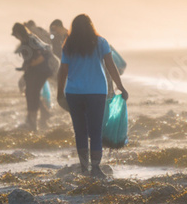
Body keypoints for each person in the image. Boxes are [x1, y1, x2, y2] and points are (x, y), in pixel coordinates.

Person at [57, 14, 129, 177]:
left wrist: (59, 94)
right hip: (97, 92)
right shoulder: (101, 42)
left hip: (74, 93)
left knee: (80, 131)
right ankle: (96, 168)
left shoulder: (68, 44)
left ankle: (84, 168)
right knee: (96, 131)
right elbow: (111, 66)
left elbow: (63, 71)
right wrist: (120, 87)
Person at [12, 22, 56, 130]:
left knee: (32, 94)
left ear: (18, 33)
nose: (16, 37)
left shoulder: (29, 41)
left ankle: (33, 122)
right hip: (37, 71)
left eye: (15, 35)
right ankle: (39, 116)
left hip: (41, 71)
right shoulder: (29, 39)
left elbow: (40, 58)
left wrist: (28, 66)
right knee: (30, 93)